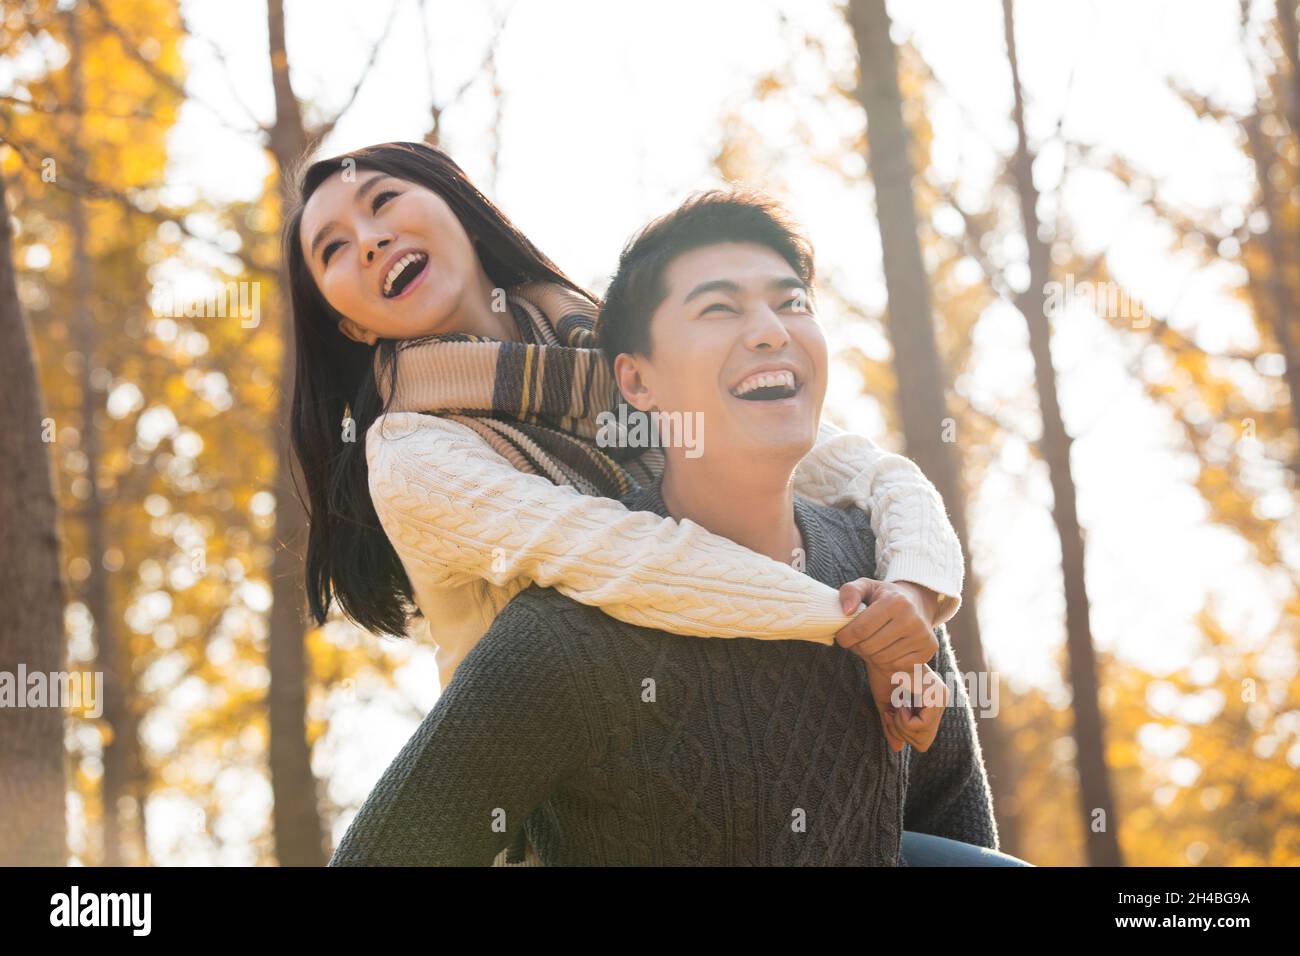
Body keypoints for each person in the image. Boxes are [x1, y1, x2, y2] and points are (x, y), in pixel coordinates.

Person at [284, 142, 968, 864]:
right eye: (334, 248)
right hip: (575, 810)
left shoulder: (613, 346)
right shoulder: (413, 455)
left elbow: (870, 474)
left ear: (463, 211)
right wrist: (858, 628)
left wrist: (912, 599)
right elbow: (636, 561)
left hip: (742, 736)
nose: (371, 241)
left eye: (385, 201)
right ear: (349, 327)